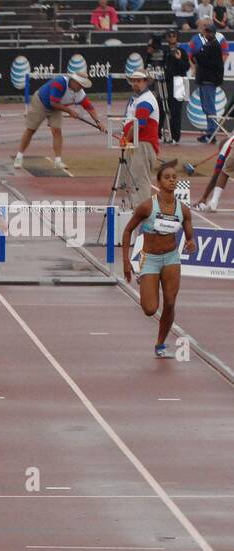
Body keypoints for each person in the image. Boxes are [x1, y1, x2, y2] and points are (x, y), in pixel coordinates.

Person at [120, 161, 196, 358]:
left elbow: (189, 235)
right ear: (159, 182)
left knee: (170, 303)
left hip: (171, 259)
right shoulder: (147, 206)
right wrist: (126, 261)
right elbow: (128, 230)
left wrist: (190, 242)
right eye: (167, 178)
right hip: (151, 259)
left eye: (174, 178)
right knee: (150, 309)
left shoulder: (183, 209)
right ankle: (144, 279)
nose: (171, 180)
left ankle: (160, 344)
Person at [13, 73, 104, 171]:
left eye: (83, 85)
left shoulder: (80, 93)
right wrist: (70, 111)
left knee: (57, 131)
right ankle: (19, 157)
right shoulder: (59, 83)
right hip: (41, 102)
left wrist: (98, 122)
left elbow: (89, 107)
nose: (81, 87)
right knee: (31, 130)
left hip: (57, 107)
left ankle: (58, 161)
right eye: (80, 84)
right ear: (74, 81)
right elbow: (53, 102)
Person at [121, 71, 162, 209]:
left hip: (143, 145)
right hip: (136, 144)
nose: (135, 84)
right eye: (133, 81)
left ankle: (142, 212)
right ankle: (135, 210)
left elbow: (138, 124)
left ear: (146, 81)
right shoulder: (138, 99)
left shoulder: (146, 100)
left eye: (138, 81)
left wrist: (126, 140)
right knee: (131, 180)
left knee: (140, 181)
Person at [188, 18, 227, 142]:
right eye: (206, 31)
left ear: (213, 33)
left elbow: (199, 56)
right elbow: (197, 56)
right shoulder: (209, 45)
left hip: (208, 80)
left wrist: (199, 55)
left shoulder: (213, 45)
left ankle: (212, 133)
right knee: (206, 107)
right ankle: (210, 132)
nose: (207, 34)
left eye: (209, 32)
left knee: (209, 107)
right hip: (205, 79)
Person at [192, 131, 234, 208]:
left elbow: (216, 176)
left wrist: (204, 197)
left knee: (223, 173)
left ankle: (214, 203)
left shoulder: (224, 150)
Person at [162, 29, 190, 142]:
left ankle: (175, 137)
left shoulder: (182, 51)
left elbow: (186, 68)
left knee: (176, 111)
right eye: (170, 35)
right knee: (164, 108)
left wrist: (178, 59)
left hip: (180, 82)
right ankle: (163, 134)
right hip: (166, 82)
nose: (172, 37)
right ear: (167, 38)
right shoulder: (164, 51)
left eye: (174, 35)